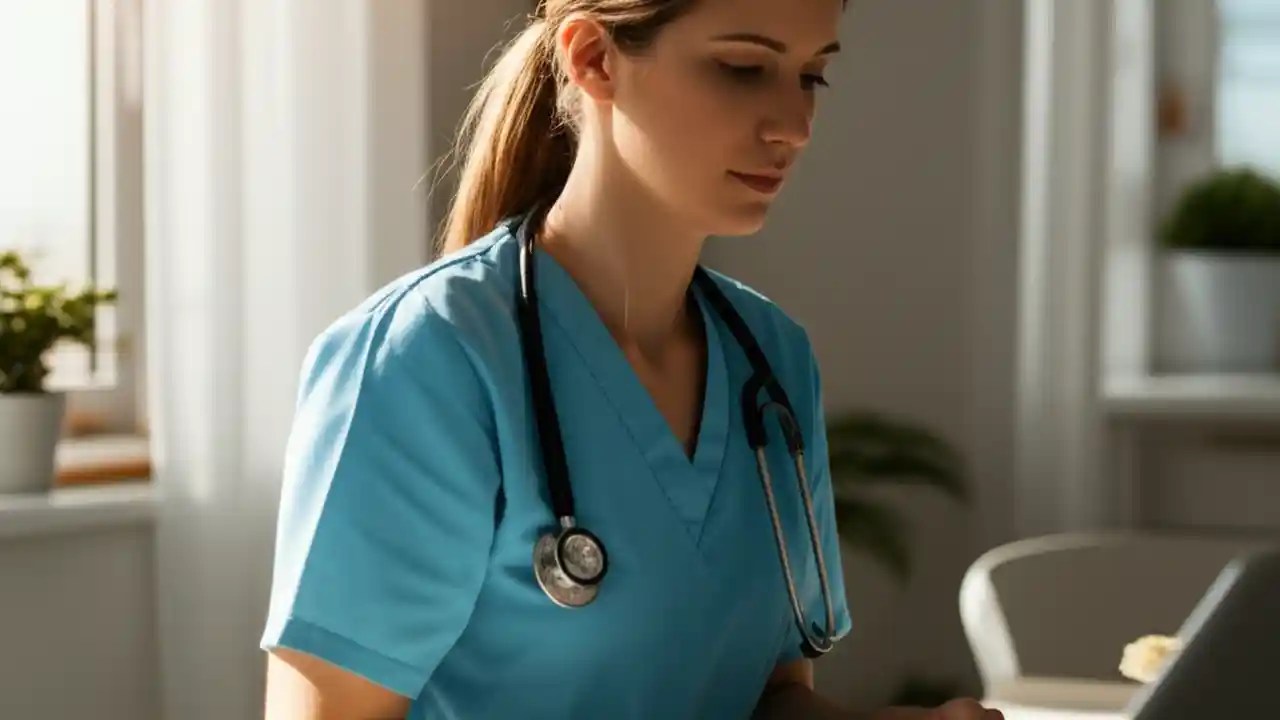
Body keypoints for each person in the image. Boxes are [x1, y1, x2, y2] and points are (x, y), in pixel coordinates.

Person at [259, 1, 1003, 718]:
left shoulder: (771, 361)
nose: (796, 126)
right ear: (592, 58)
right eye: (744, 68)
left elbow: (770, 698)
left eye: (811, 75)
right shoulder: (424, 359)